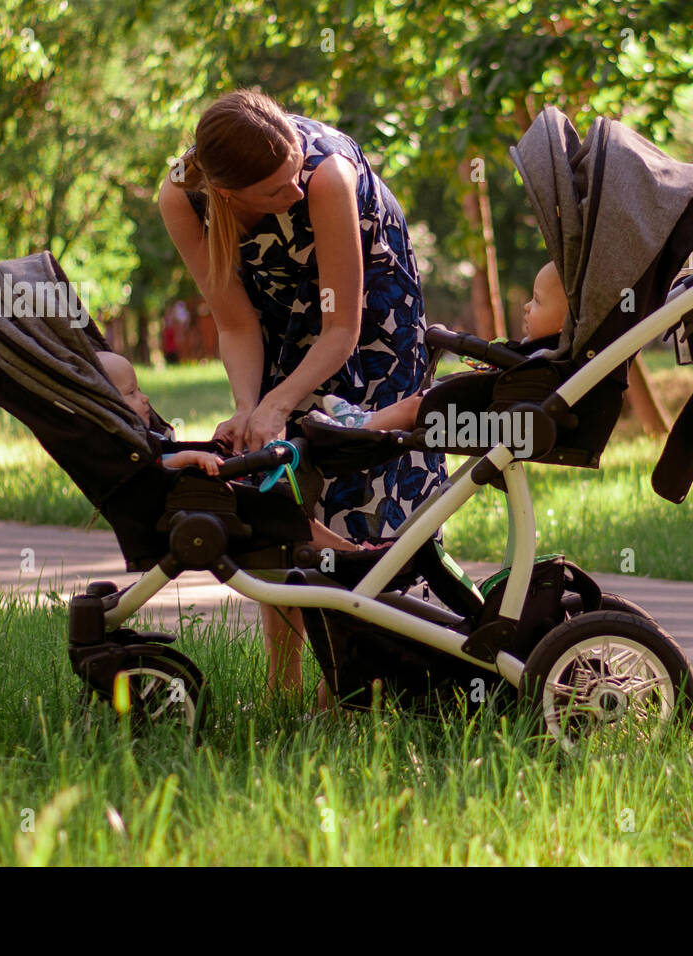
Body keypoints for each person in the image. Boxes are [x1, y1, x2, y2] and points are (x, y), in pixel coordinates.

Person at [157, 88, 446, 698]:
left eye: (294, 173)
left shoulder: (324, 175)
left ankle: (356, 681)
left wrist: (281, 404)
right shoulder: (183, 199)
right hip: (276, 318)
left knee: (360, 479)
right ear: (230, 195)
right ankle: (283, 685)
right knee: (279, 493)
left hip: (369, 322)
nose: (292, 190)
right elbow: (235, 324)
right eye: (275, 190)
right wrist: (251, 407)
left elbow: (342, 328)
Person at [95, 350, 359, 555]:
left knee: (286, 503)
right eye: (131, 392)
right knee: (280, 507)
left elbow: (160, 457)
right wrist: (190, 458)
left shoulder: (138, 438)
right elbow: (152, 470)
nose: (145, 398)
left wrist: (213, 448)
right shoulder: (125, 447)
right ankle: (347, 553)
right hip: (190, 506)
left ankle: (346, 550)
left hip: (197, 497)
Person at [316, 260, 570, 432]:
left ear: (564, 325)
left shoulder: (546, 360)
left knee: (415, 406)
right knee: (417, 400)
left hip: (486, 415)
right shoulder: (542, 354)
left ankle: (361, 426)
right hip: (486, 407)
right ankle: (363, 419)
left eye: (536, 301)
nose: (527, 306)